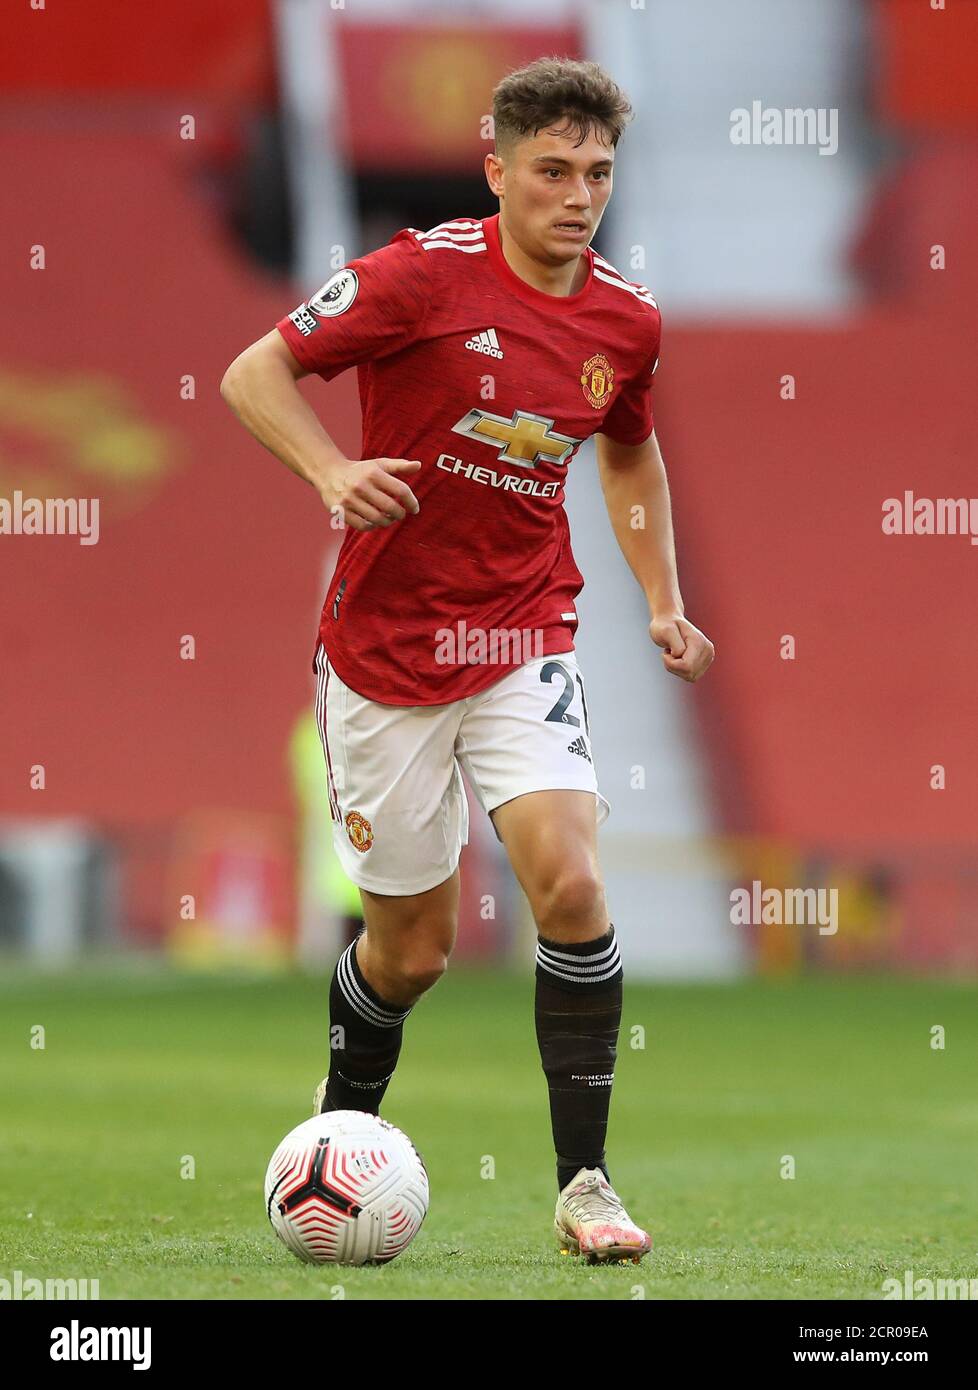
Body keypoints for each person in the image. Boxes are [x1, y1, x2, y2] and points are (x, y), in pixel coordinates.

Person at [221, 56, 714, 1265]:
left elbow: (629, 453)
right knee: (414, 951)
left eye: (598, 172)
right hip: (385, 654)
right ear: (498, 172)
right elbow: (254, 372)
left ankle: (586, 1181)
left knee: (575, 887)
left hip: (522, 632)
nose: (579, 194)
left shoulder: (625, 319)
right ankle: (343, 1128)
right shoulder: (417, 277)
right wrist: (333, 472)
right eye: (552, 171)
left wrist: (662, 597)